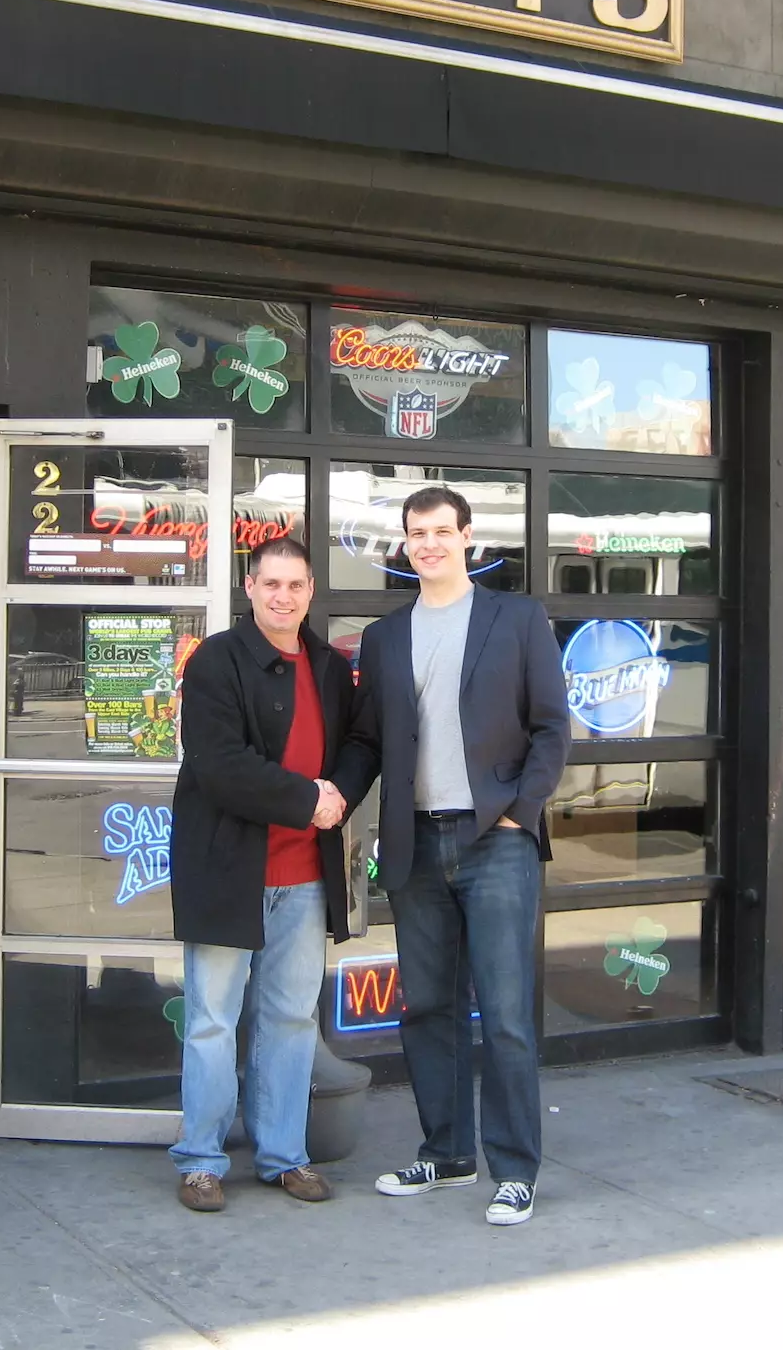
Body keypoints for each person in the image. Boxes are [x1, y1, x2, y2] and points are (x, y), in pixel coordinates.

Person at [337, 485, 570, 1226]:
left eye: (442, 531)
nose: (428, 544)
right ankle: (446, 1153)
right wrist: (332, 795)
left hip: (494, 839)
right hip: (414, 841)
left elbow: (551, 729)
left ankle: (515, 1169)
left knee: (503, 1014)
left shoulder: (517, 618)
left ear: (468, 537)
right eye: (416, 533)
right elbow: (369, 741)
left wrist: (519, 816)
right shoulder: (384, 638)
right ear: (404, 545)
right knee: (429, 1008)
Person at [166, 536, 355, 1213]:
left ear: (310, 591)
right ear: (250, 588)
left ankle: (283, 1156)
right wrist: (309, 798)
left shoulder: (330, 667)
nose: (283, 596)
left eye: (296, 585)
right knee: (213, 1020)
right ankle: (201, 1161)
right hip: (229, 870)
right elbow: (218, 764)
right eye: (270, 583)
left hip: (304, 875)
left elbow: (360, 745)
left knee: (289, 1018)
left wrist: (340, 796)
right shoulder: (217, 660)